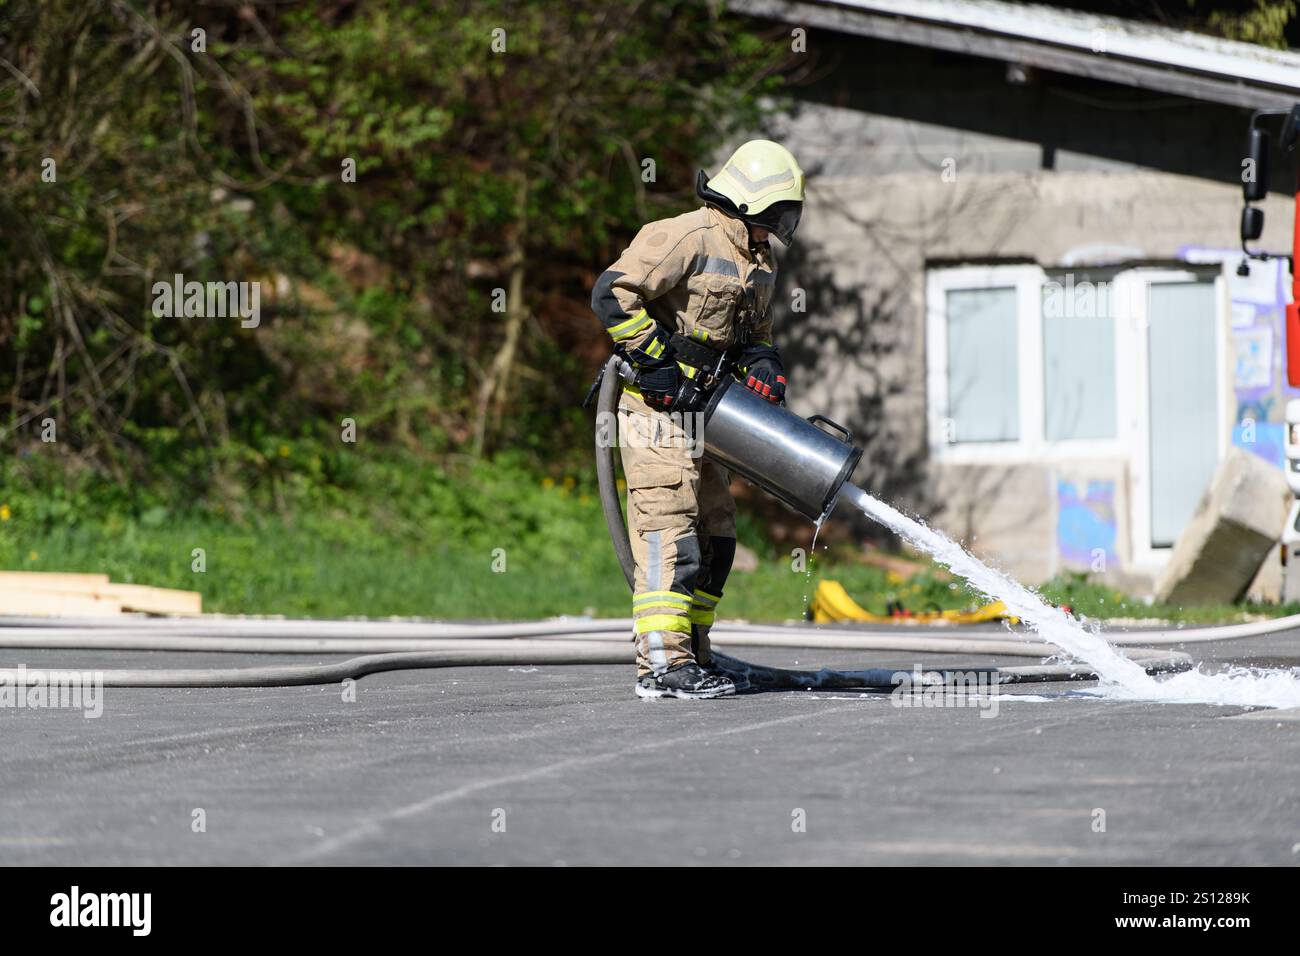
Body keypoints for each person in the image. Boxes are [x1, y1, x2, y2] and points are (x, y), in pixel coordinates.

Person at [590, 139, 805, 699]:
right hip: (654, 409)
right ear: (746, 204)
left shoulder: (761, 264)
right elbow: (612, 294)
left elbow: (754, 335)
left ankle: (696, 655)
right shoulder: (685, 235)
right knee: (669, 527)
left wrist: (764, 364)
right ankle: (661, 666)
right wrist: (655, 363)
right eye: (771, 219)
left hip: (706, 412)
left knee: (718, 538)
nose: (773, 232)